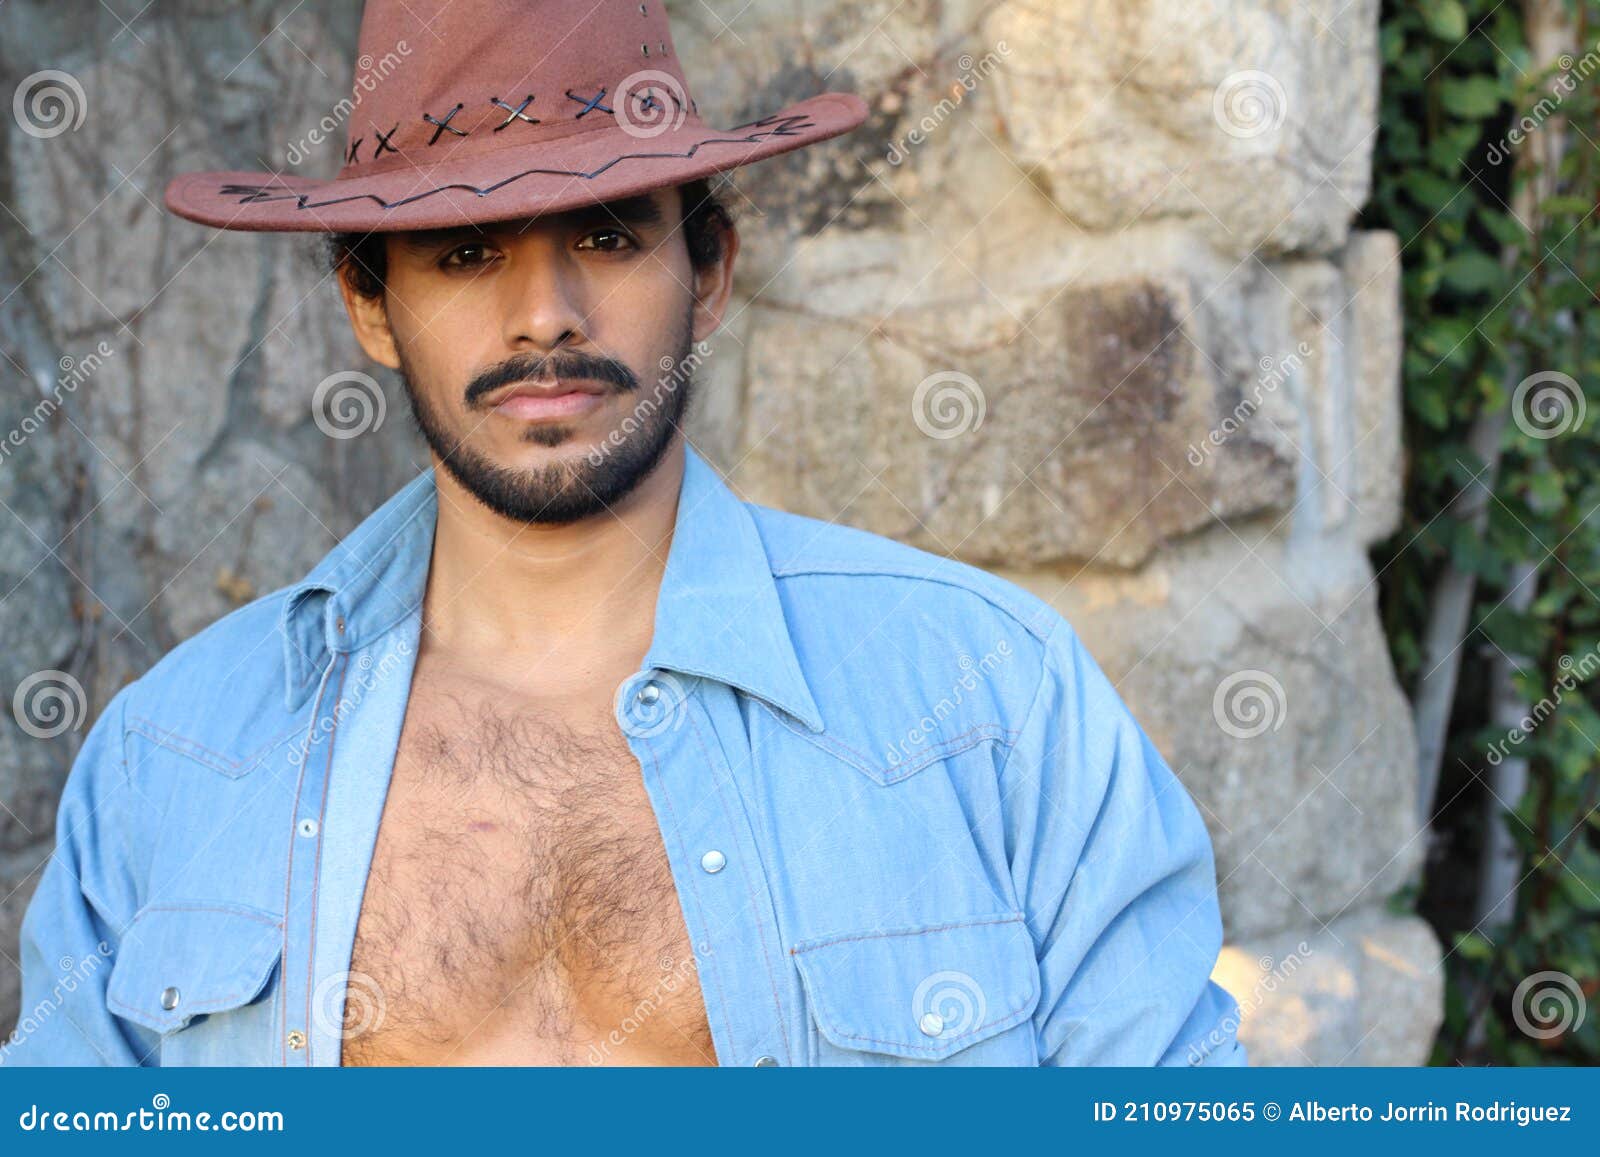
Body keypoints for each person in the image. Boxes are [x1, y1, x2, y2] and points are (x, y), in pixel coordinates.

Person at [3, 0, 1245, 1067]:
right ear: (370, 308)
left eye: (606, 235)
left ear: (707, 270)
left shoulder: (987, 698)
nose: (543, 314)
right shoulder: (174, 760)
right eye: (465, 251)